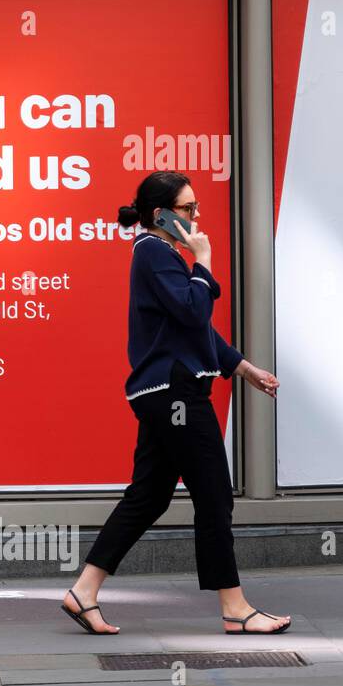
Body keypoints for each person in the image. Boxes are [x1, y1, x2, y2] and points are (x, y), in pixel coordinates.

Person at [60, 171, 290, 636]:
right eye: (188, 209)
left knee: (149, 496)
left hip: (162, 393)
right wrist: (203, 261)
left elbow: (193, 329)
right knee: (213, 495)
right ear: (161, 214)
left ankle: (84, 591)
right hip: (175, 394)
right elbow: (192, 311)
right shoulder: (153, 252)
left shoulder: (158, 254)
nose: (197, 217)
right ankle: (235, 608)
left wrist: (244, 369)